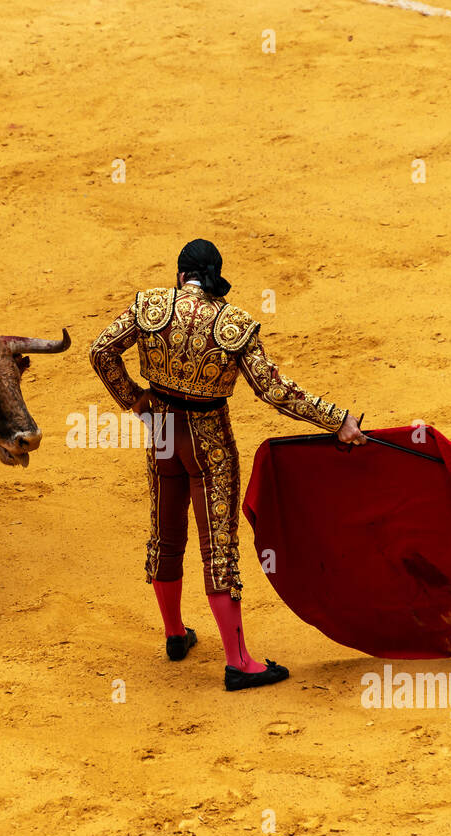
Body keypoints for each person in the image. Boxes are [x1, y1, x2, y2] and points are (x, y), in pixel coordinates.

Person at [90, 239, 366, 691]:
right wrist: (338, 420)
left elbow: (100, 352)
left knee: (165, 533)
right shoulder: (232, 323)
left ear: (181, 275)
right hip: (209, 438)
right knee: (217, 545)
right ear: (214, 275)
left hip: (160, 429)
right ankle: (238, 661)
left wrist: (136, 402)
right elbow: (274, 391)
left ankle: (175, 634)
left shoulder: (149, 306)